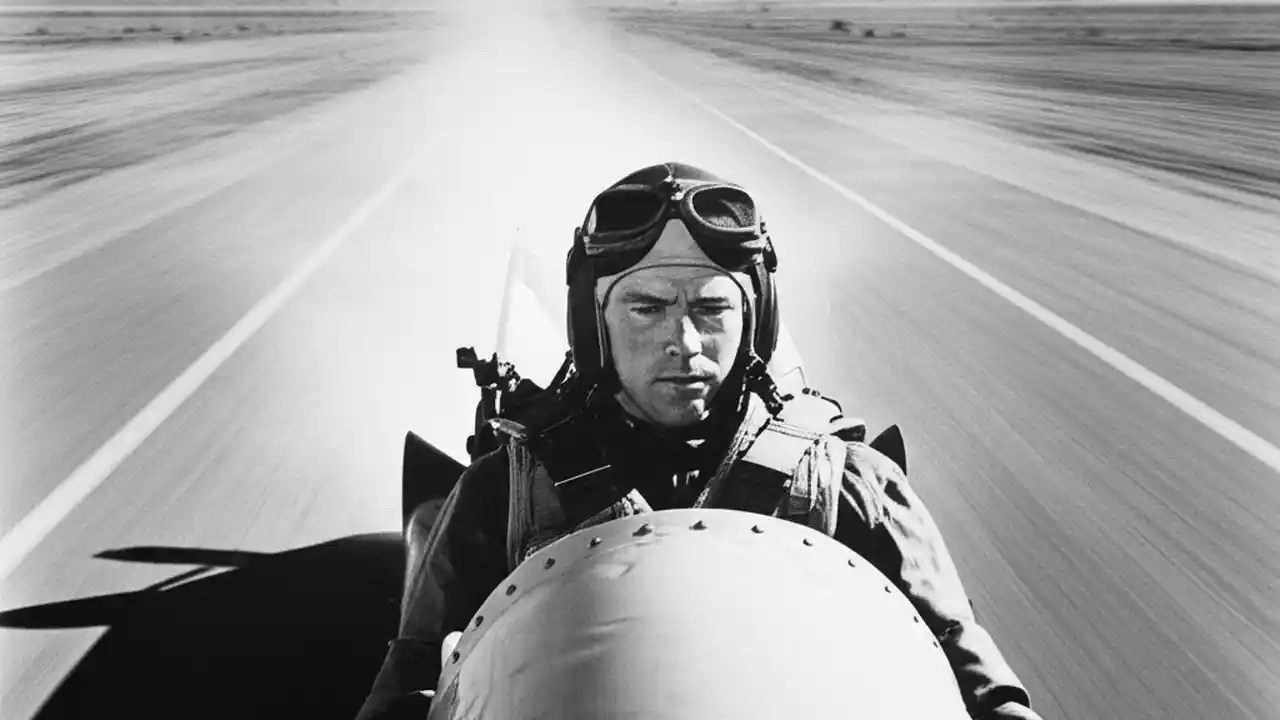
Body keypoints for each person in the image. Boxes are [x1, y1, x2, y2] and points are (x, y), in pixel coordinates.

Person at [355, 162, 1044, 720]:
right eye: (647, 307)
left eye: (712, 308)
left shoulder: (849, 483)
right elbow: (413, 680)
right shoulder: (505, 490)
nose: (683, 344)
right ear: (594, 326)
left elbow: (968, 667)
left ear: (755, 320)